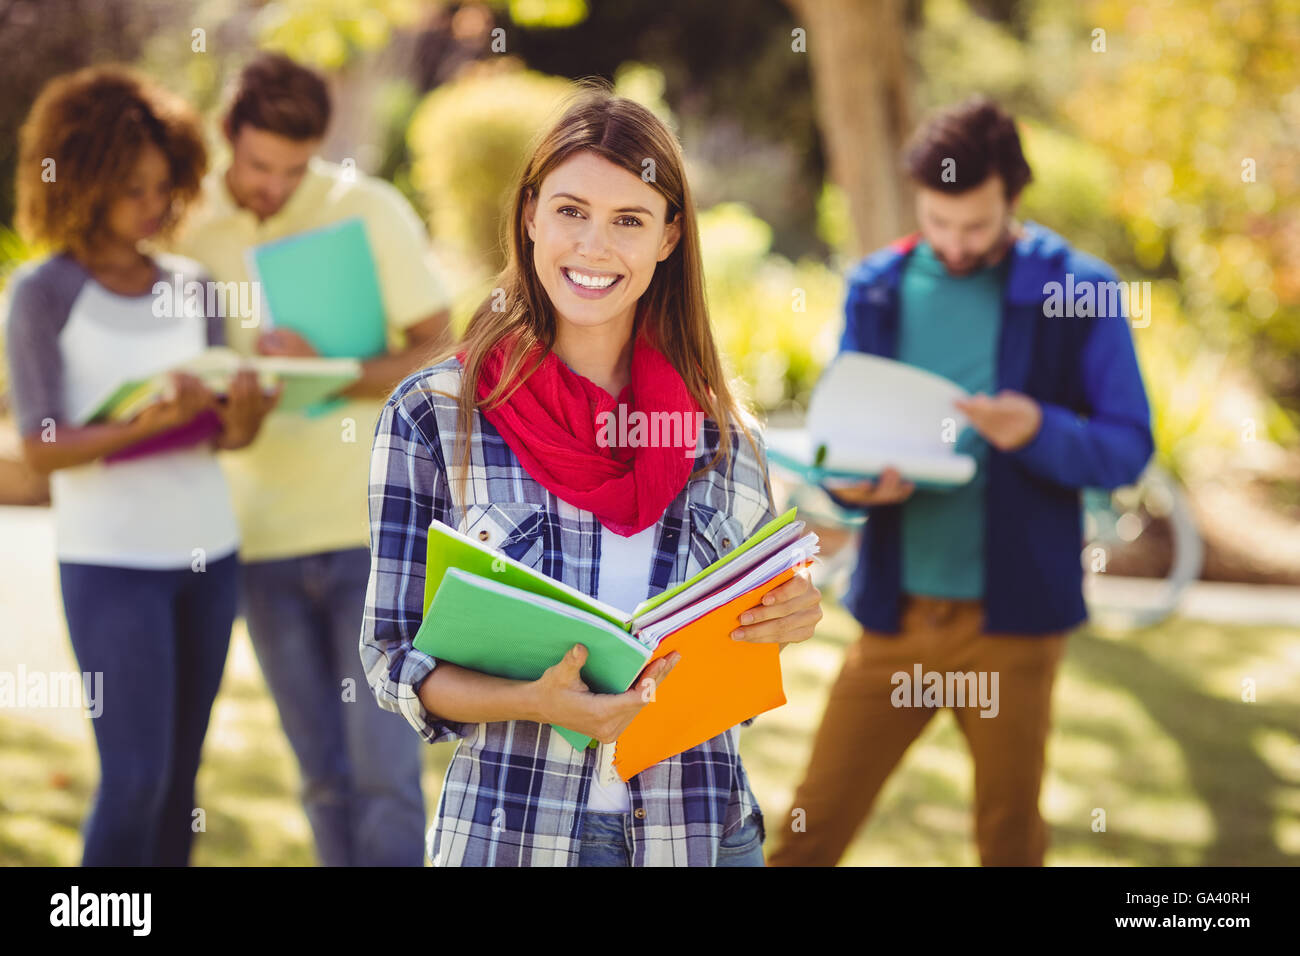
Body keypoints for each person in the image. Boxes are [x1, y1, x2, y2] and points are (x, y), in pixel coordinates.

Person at [360, 81, 824, 867]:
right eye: (571, 211)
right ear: (531, 213)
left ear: (670, 238)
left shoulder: (720, 433)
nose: (594, 248)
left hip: (700, 837)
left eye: (629, 221)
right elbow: (395, 661)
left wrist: (787, 619)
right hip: (517, 840)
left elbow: (734, 678)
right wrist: (531, 701)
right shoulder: (436, 416)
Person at [767, 96, 1154, 867]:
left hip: (1014, 627)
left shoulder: (1081, 288)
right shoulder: (876, 285)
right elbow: (844, 446)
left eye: (975, 226)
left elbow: (1127, 447)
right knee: (810, 830)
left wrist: (1040, 430)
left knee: (1010, 843)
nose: (952, 243)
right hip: (894, 613)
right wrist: (855, 489)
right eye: (937, 222)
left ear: (1015, 197)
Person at [173, 53, 452, 866]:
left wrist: (330, 369)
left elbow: (443, 347)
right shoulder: (189, 230)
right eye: (260, 166)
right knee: (321, 776)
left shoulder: (365, 208)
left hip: (374, 534)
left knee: (385, 771)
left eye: (294, 169)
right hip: (258, 538)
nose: (275, 186)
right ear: (229, 137)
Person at [4, 65, 276, 865]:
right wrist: (142, 422)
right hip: (111, 565)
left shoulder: (193, 287)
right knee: (133, 779)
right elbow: (41, 445)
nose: (152, 206)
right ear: (83, 180)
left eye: (164, 187)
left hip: (207, 557)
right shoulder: (43, 291)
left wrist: (244, 415)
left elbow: (225, 437)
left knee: (180, 782)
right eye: (131, 188)